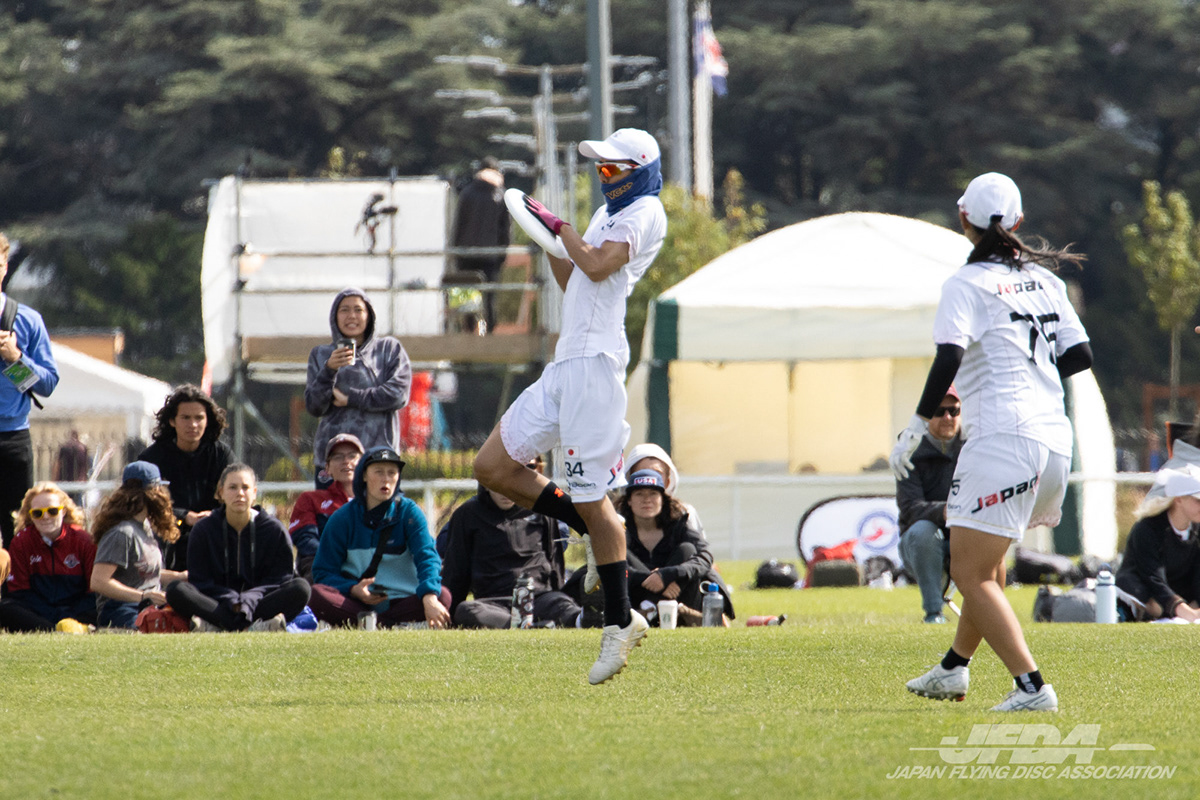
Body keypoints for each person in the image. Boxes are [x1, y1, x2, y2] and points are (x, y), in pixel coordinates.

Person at [472, 128, 667, 685]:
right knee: (492, 467)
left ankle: (620, 622)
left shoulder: (646, 211)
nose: (604, 177)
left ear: (640, 170)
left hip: (597, 367)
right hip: (567, 364)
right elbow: (576, 272)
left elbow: (602, 266)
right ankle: (590, 526)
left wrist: (561, 228)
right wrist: (549, 240)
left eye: (613, 169)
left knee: (594, 500)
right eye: (599, 170)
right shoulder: (608, 218)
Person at [892, 172, 1092, 713]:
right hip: (1055, 439)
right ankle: (955, 669)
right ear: (1019, 222)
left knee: (969, 571)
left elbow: (949, 356)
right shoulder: (1046, 282)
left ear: (964, 220)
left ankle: (1032, 687)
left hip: (1005, 437)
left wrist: (915, 424)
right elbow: (1079, 356)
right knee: (988, 564)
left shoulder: (966, 283)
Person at [310, 447, 451, 628]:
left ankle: (371, 624)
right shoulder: (341, 518)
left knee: (443, 596)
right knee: (317, 595)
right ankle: (393, 625)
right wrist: (353, 590)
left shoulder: (409, 512)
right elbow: (323, 573)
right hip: (357, 602)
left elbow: (428, 557)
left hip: (403, 600)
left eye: (392, 473)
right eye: (378, 472)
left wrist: (429, 597)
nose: (386, 479)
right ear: (364, 476)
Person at [440, 455, 586, 629]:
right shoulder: (466, 515)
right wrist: (448, 612)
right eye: (499, 483)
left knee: (564, 605)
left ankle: (582, 619)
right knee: (466, 611)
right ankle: (526, 627)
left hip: (539, 599)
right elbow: (456, 573)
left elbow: (555, 566)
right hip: (494, 604)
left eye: (512, 483)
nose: (506, 491)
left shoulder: (544, 513)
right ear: (486, 480)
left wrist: (560, 598)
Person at [166, 464, 311, 632]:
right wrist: (231, 599)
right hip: (218, 603)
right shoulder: (203, 529)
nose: (240, 493)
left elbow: (280, 579)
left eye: (245, 488)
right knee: (176, 590)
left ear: (255, 493)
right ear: (220, 493)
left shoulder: (274, 529)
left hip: (259, 602)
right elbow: (200, 580)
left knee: (301, 588)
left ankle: (218, 625)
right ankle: (253, 626)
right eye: (233, 488)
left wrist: (249, 599)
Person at [305, 289, 411, 488]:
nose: (351, 316)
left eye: (358, 310)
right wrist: (329, 370)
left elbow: (399, 395)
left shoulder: (389, 350)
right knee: (332, 518)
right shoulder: (320, 354)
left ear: (369, 316)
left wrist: (351, 398)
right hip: (333, 463)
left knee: (380, 518)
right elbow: (314, 406)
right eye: (344, 310)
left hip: (379, 460)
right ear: (334, 316)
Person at [0, 232, 60, 549]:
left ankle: (15, 596)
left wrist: (15, 359)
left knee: (19, 531)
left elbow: (47, 385)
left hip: (12, 438)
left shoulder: (27, 321)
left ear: (5, 267)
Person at [617, 469, 733, 626]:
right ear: (629, 500)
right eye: (639, 494)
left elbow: (705, 557)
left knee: (687, 549)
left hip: (680, 597)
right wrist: (648, 579)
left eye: (653, 494)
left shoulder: (679, 525)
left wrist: (668, 575)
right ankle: (654, 609)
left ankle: (651, 610)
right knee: (619, 554)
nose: (647, 500)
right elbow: (607, 564)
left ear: (662, 499)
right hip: (637, 597)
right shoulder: (619, 529)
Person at [138, 384, 233, 572]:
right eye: (186, 418)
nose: (193, 424)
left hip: (215, 533)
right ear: (172, 421)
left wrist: (213, 516)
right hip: (167, 536)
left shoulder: (221, 454)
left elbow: (238, 489)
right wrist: (184, 517)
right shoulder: (152, 458)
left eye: (199, 418)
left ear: (208, 420)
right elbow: (141, 502)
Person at [896, 387, 965, 624]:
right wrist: (948, 510)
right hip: (920, 545)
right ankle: (934, 613)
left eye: (953, 411)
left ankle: (988, 616)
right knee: (923, 531)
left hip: (966, 537)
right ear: (926, 417)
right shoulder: (908, 453)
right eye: (939, 411)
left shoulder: (976, 448)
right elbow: (910, 508)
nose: (947, 417)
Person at [90, 461, 187, 629]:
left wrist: (179, 577)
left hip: (150, 605)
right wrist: (143, 596)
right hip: (122, 609)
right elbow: (99, 581)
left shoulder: (144, 526)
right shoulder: (122, 532)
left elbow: (141, 571)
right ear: (155, 492)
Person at [0, 482, 96, 632]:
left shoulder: (84, 540)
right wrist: (54, 616)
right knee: (5, 608)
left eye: (52, 511)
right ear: (30, 515)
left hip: (76, 610)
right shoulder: (21, 541)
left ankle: (68, 628)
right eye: (38, 513)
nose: (45, 517)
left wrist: (67, 616)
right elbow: (20, 592)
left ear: (63, 512)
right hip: (38, 611)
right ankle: (55, 630)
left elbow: (92, 591)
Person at [1115, 466, 1200, 622]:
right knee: (1156, 606)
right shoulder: (1148, 528)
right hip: (1146, 588)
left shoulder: (1197, 528)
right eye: (1197, 501)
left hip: (1178, 589)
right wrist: (1181, 609)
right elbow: (1152, 576)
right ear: (1178, 499)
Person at [288, 433, 363, 581]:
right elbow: (306, 541)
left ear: (364, 463)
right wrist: (340, 557)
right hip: (323, 566)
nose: (346, 461)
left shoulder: (376, 502)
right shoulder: (310, 499)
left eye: (352, 456)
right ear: (327, 468)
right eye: (338, 457)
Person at [452, 157, 510, 331]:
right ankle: (491, 332)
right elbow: (505, 229)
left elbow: (459, 225)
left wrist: (456, 251)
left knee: (467, 295)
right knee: (490, 296)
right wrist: (502, 255)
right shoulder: (500, 195)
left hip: (466, 254)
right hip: (491, 255)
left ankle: (468, 332)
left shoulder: (468, 192)